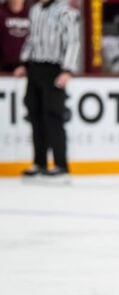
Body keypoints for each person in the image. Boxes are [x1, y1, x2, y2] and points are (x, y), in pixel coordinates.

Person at [13, 0, 79, 178]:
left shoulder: (66, 12)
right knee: (35, 114)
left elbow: (73, 42)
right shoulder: (35, 10)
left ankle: (60, 164)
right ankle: (39, 162)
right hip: (35, 67)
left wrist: (67, 70)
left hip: (54, 69)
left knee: (53, 116)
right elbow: (32, 38)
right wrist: (25, 62)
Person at [0, 0, 30, 73]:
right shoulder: (1, 12)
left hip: (24, 67)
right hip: (3, 67)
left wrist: (26, 66)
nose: (16, 1)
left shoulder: (32, 13)